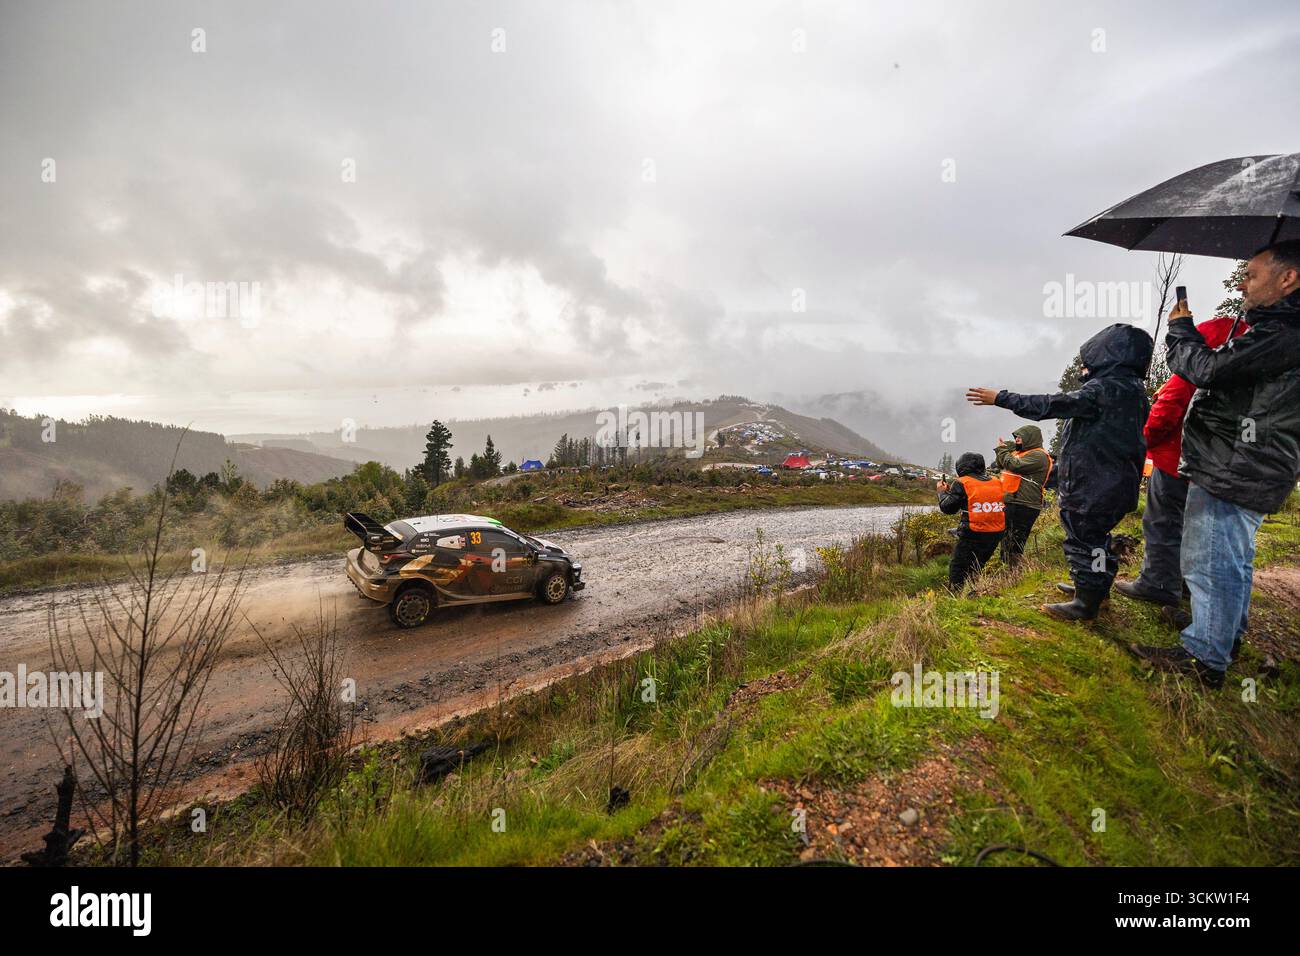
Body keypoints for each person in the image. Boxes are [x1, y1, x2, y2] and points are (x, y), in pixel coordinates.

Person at [1131, 240, 1300, 688]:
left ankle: (1204, 656)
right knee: (1233, 558)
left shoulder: (1284, 334)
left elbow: (1207, 371)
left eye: (1254, 274)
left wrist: (1181, 330)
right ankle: (1224, 636)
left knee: (1210, 562)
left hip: (1235, 463)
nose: (1244, 282)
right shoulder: (1277, 330)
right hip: (1252, 462)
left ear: (1288, 279)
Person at [967, 323, 1153, 620]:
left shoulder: (1102, 390)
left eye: (1089, 362)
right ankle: (1094, 590)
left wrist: (1000, 398)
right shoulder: (1134, 392)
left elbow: (1052, 404)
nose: (1084, 368)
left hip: (1093, 485)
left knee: (1082, 539)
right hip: (1118, 484)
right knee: (1098, 538)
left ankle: (1086, 605)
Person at [1114, 314, 1248, 610]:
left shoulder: (1196, 370)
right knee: (1195, 527)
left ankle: (1158, 582)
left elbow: (1167, 409)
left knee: (1163, 522)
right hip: (1218, 465)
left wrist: (1142, 441)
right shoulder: (1250, 370)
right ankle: (1186, 584)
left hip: (1175, 458)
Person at [936, 452, 1005, 590]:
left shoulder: (962, 483)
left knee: (958, 568)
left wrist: (941, 492)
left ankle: (957, 597)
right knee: (977, 566)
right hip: (996, 532)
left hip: (974, 532)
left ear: (961, 467)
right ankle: (974, 592)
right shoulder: (996, 481)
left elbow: (948, 508)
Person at [992, 424, 1052, 567]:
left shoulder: (1039, 455)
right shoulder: (1021, 453)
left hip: (1025, 505)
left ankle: (1015, 572)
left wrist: (1002, 449)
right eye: (1016, 437)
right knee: (1007, 540)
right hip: (1014, 502)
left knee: (1015, 542)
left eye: (1020, 437)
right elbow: (1002, 464)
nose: (1017, 440)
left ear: (1030, 438)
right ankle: (1010, 572)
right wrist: (1005, 448)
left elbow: (1014, 465)